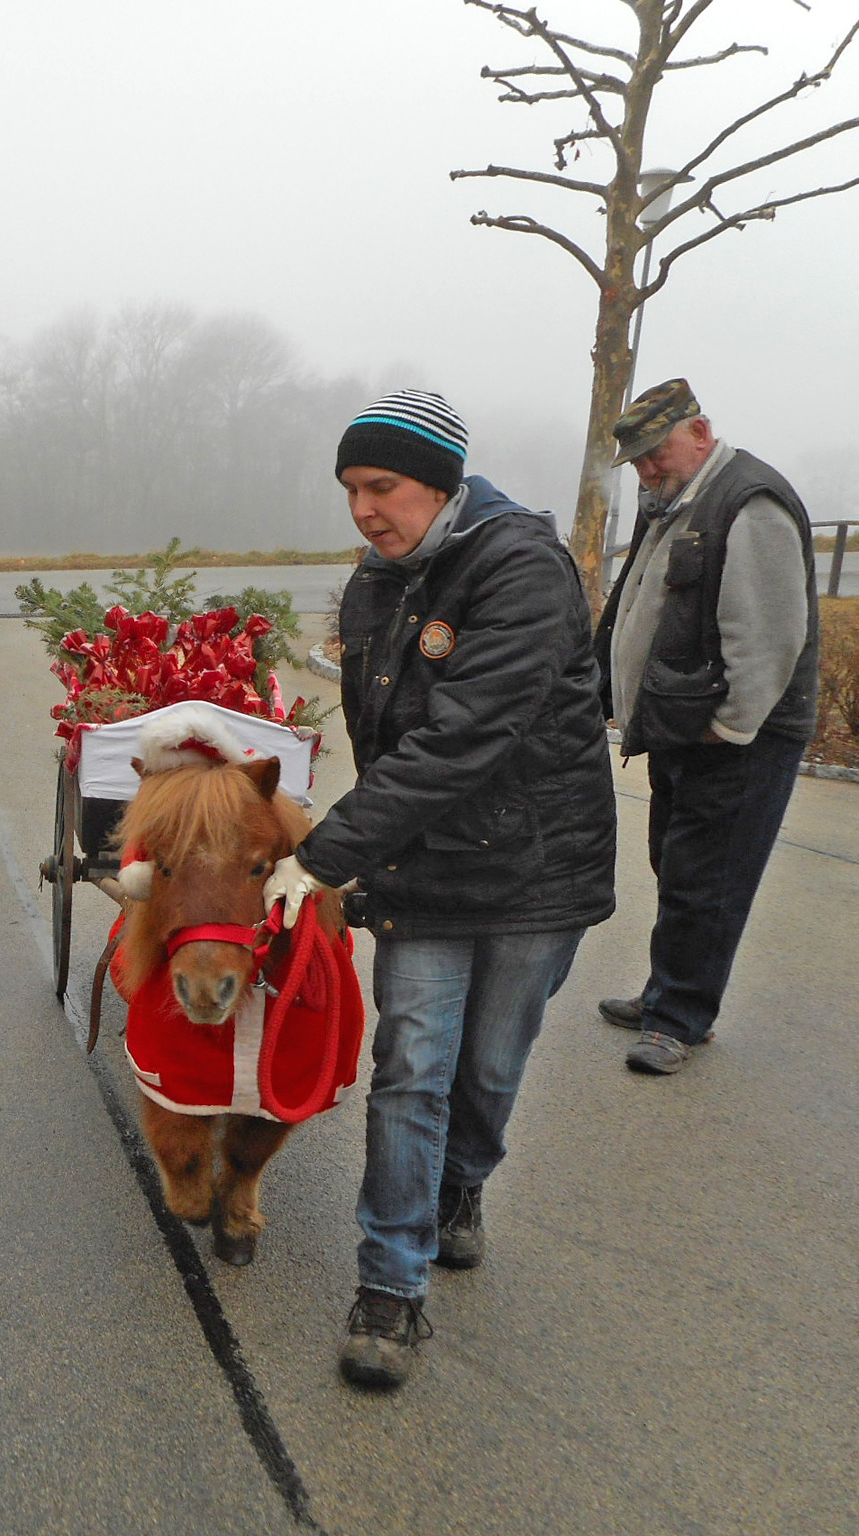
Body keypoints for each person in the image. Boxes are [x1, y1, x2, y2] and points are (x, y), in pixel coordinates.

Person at [262, 390, 617, 1389]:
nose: (363, 511)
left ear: (439, 482)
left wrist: (324, 855)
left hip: (533, 869)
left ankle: (459, 1187)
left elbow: (459, 737)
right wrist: (361, 846)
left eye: (380, 486)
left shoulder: (520, 570)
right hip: (424, 868)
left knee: (487, 1072)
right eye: (348, 490)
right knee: (410, 1067)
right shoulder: (376, 582)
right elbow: (384, 743)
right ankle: (389, 1286)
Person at [594, 378, 819, 1075]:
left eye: (656, 452)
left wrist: (730, 728)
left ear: (699, 431)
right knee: (678, 863)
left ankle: (680, 1021)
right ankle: (669, 990)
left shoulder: (748, 502)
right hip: (685, 728)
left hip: (734, 739)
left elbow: (769, 638)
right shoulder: (677, 501)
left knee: (709, 881)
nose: (648, 470)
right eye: (638, 461)